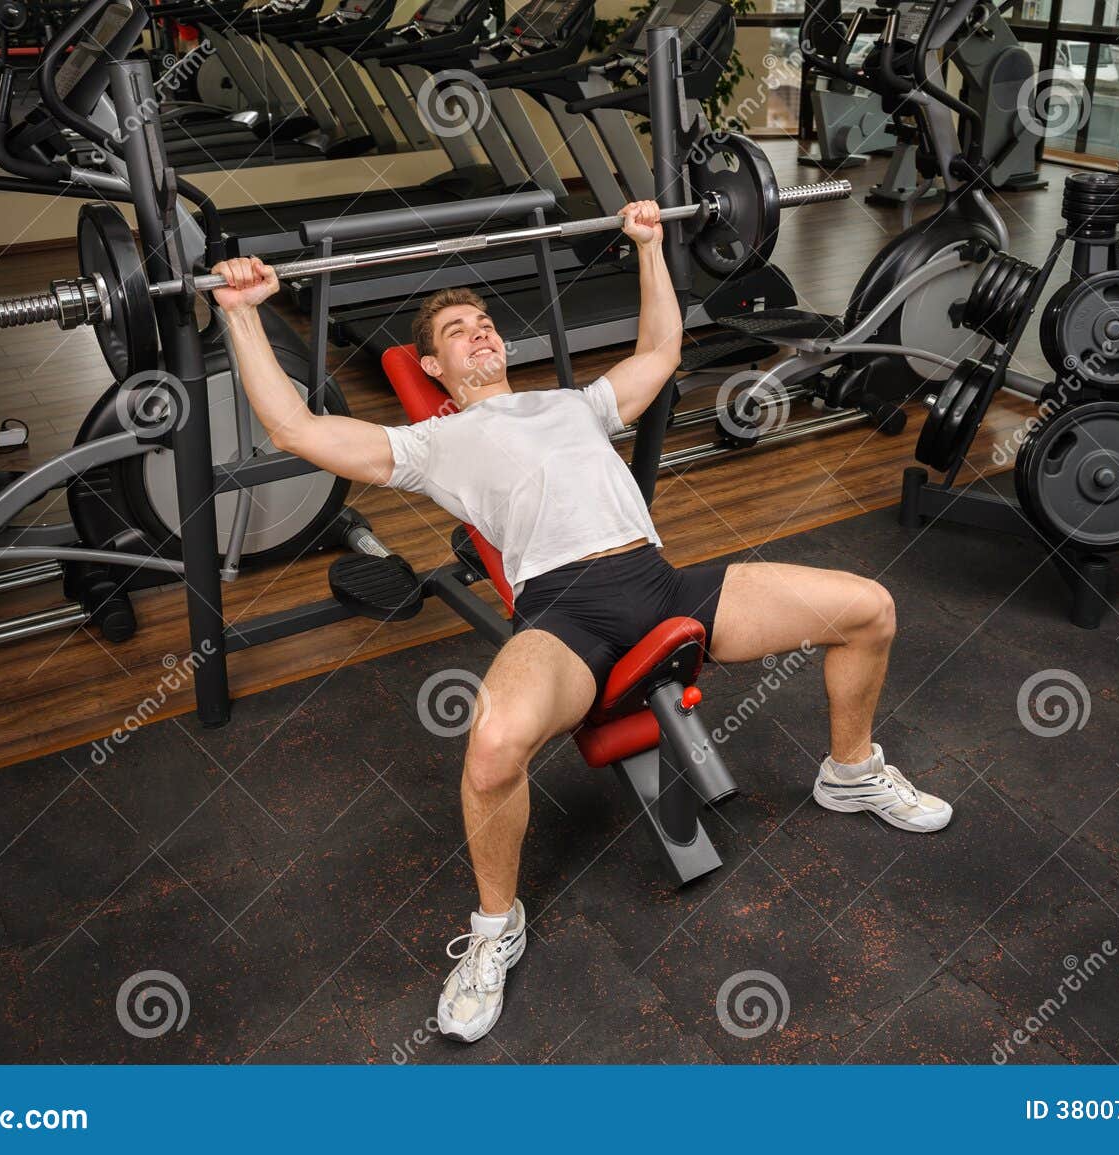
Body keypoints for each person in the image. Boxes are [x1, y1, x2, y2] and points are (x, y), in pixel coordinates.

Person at [209, 201, 953, 1044]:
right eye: (458, 330)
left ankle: (849, 770)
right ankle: (495, 927)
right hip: (567, 615)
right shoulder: (430, 445)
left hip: (660, 578)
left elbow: (662, 352)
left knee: (868, 609)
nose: (480, 334)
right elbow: (295, 426)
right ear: (431, 365)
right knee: (492, 746)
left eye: (486, 322)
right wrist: (241, 312)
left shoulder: (575, 403)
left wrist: (649, 244)